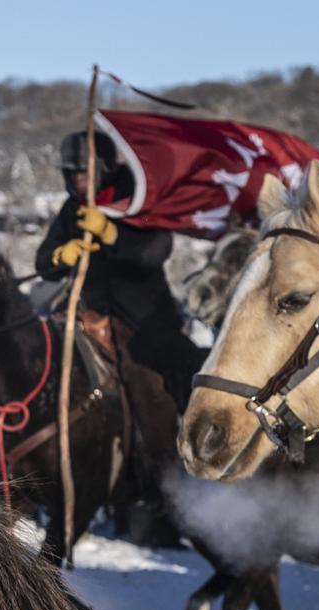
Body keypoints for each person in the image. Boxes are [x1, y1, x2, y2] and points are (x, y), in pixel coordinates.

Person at [35, 135, 203, 411]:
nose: (78, 180)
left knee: (183, 370)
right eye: (72, 173)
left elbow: (154, 252)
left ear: (104, 167)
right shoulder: (72, 208)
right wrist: (60, 256)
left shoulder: (137, 197)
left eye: (84, 172)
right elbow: (42, 264)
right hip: (91, 314)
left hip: (144, 316)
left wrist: (112, 234)